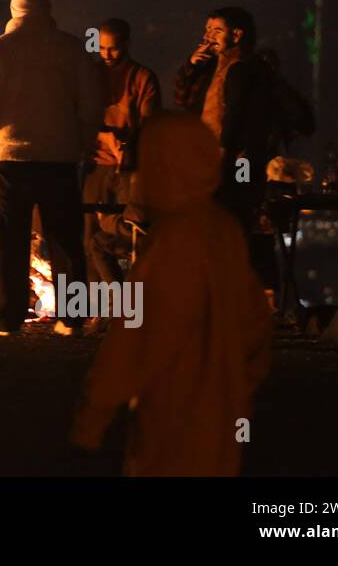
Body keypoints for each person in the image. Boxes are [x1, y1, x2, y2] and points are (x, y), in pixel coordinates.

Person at [70, 112, 273, 475]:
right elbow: (254, 318)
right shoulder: (223, 230)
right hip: (222, 414)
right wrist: (242, 386)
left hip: (171, 414)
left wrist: (93, 415)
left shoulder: (171, 244)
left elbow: (133, 340)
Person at [0, 0, 103, 335]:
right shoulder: (73, 51)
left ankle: (9, 319)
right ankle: (71, 319)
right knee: (65, 240)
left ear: (13, 11)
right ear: (48, 9)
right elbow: (92, 104)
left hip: (9, 159)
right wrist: (81, 144)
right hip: (59, 159)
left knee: (10, 240)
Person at [173, 7, 281, 290]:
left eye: (216, 30)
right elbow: (184, 101)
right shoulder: (213, 67)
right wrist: (191, 67)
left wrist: (223, 155)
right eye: (207, 30)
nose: (208, 37)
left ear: (237, 34)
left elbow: (234, 119)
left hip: (232, 165)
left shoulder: (242, 69)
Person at [83, 19, 160, 294]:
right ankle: (97, 306)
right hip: (96, 165)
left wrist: (128, 143)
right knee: (89, 235)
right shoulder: (90, 75)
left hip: (130, 168)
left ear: (126, 45)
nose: (106, 55)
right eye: (102, 48)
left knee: (127, 237)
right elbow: (79, 118)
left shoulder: (142, 78)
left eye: (113, 49)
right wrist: (102, 137)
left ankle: (130, 305)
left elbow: (151, 125)